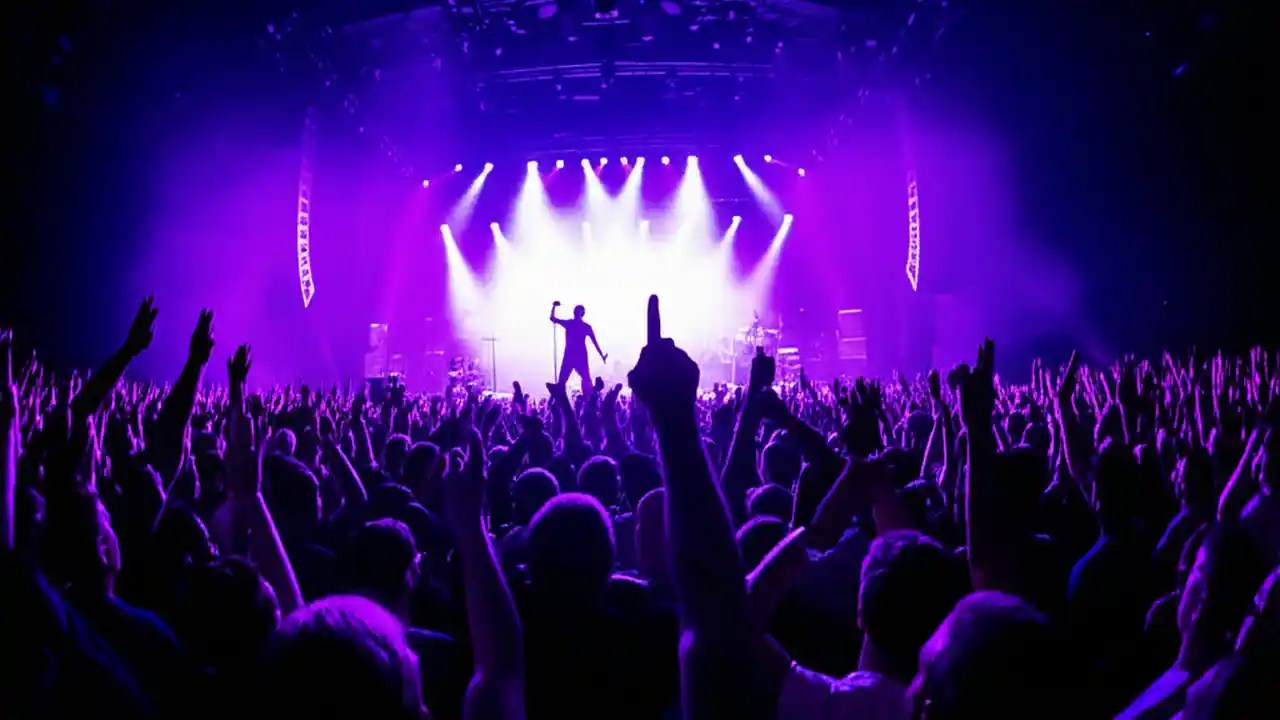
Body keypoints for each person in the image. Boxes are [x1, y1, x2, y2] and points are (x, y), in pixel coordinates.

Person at [549, 302, 607, 397]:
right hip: (570, 355)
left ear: (582, 313)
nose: (576, 313)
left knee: (586, 379)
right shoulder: (569, 323)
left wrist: (602, 355)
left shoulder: (585, 327)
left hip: (580, 356)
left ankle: (589, 398)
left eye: (578, 311)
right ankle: (560, 397)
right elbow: (553, 318)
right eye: (575, 311)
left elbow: (595, 342)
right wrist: (554, 307)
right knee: (563, 381)